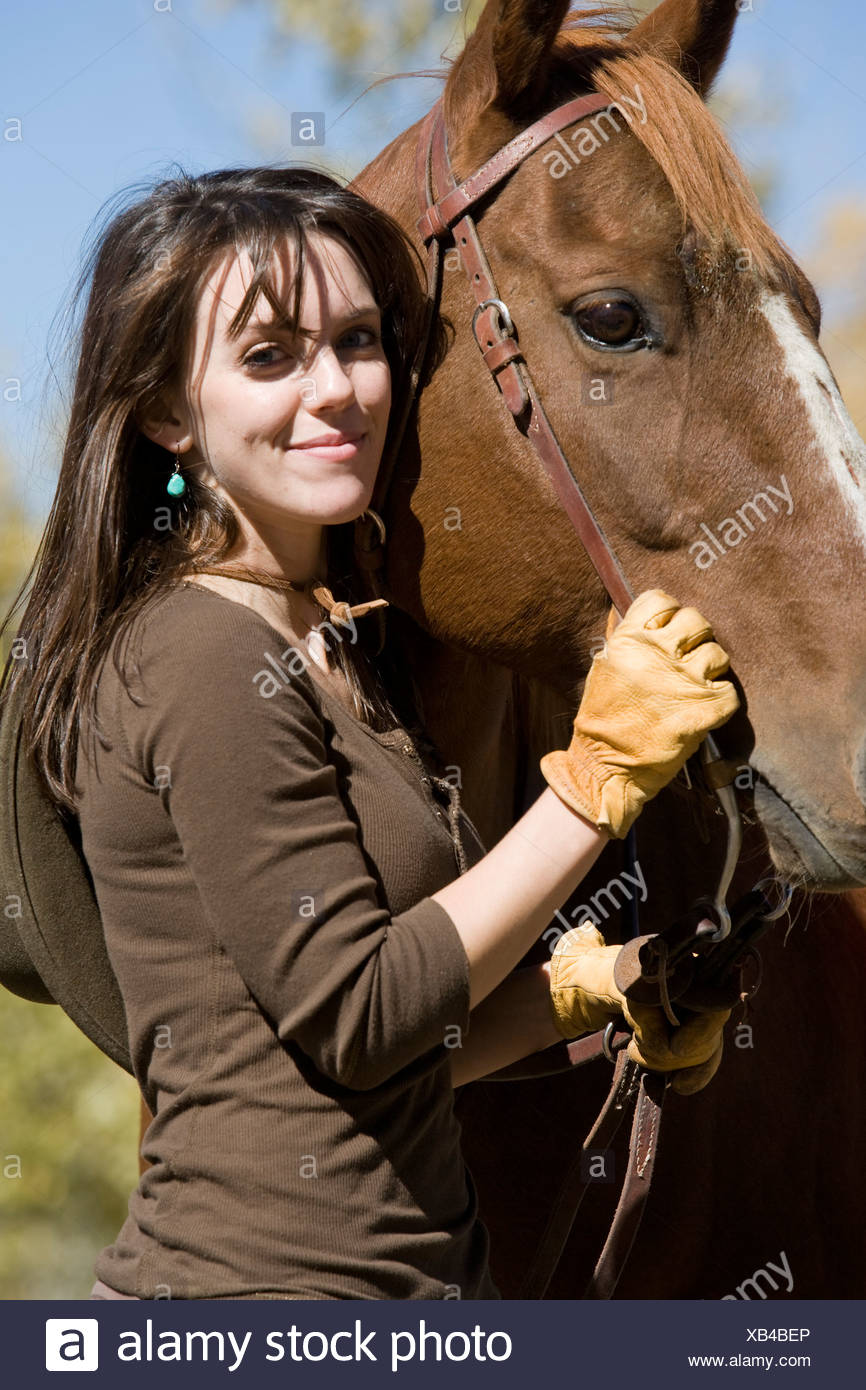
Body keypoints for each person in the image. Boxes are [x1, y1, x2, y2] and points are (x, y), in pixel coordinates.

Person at [0, 166, 739, 1301]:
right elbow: (358, 1014)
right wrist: (592, 787)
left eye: (356, 340)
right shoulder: (198, 655)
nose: (337, 387)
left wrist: (590, 987)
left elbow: (395, 1055)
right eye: (268, 357)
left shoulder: (327, 637)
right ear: (162, 411)